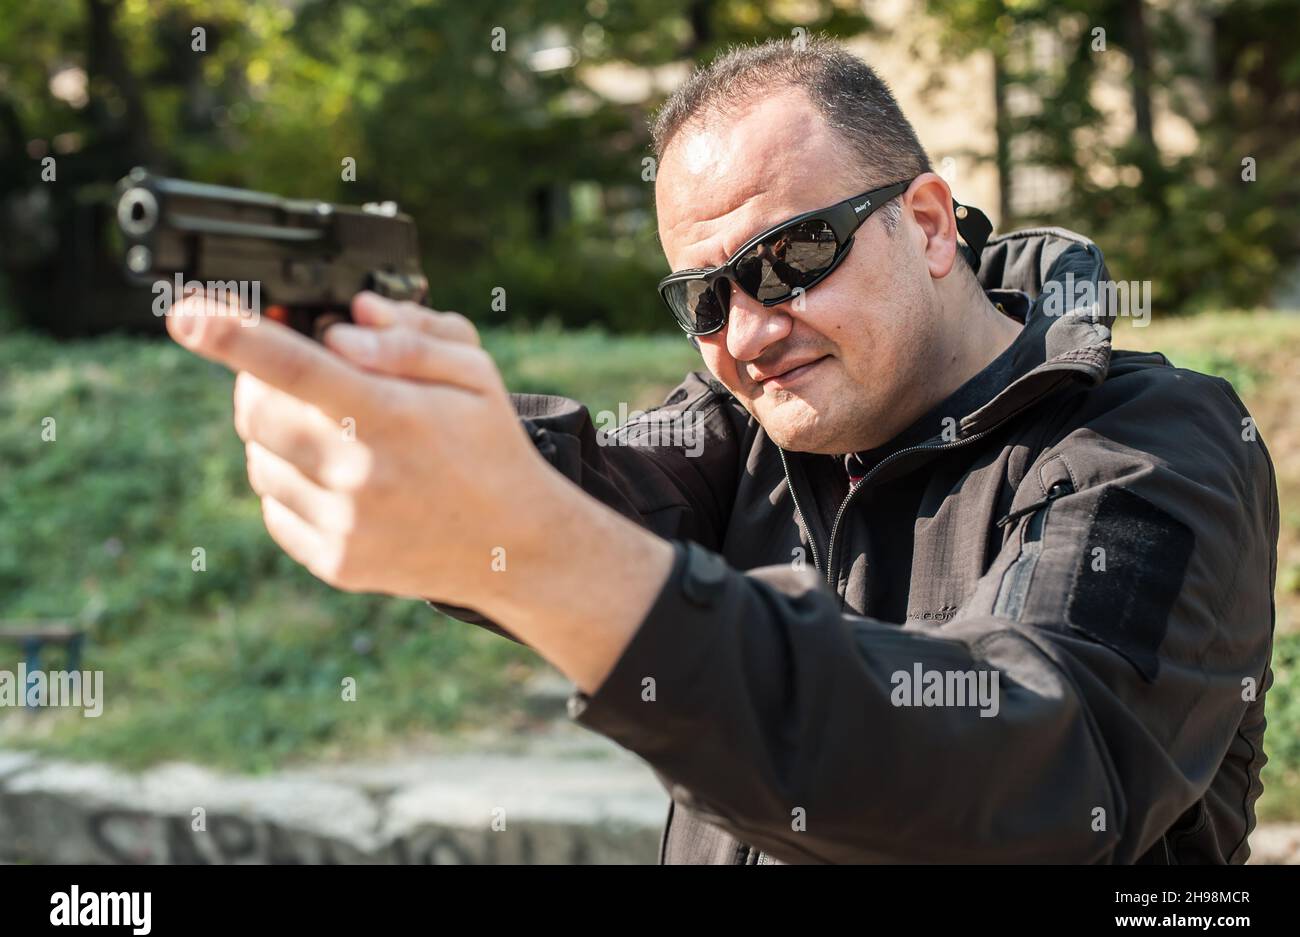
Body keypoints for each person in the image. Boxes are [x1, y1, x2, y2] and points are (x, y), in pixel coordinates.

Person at [166, 38, 1278, 864]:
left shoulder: (1146, 446)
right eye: (704, 297)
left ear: (931, 224)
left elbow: (1036, 766)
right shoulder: (738, 421)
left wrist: (543, 550)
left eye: (795, 255)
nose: (746, 332)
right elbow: (592, 483)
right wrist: (424, 420)